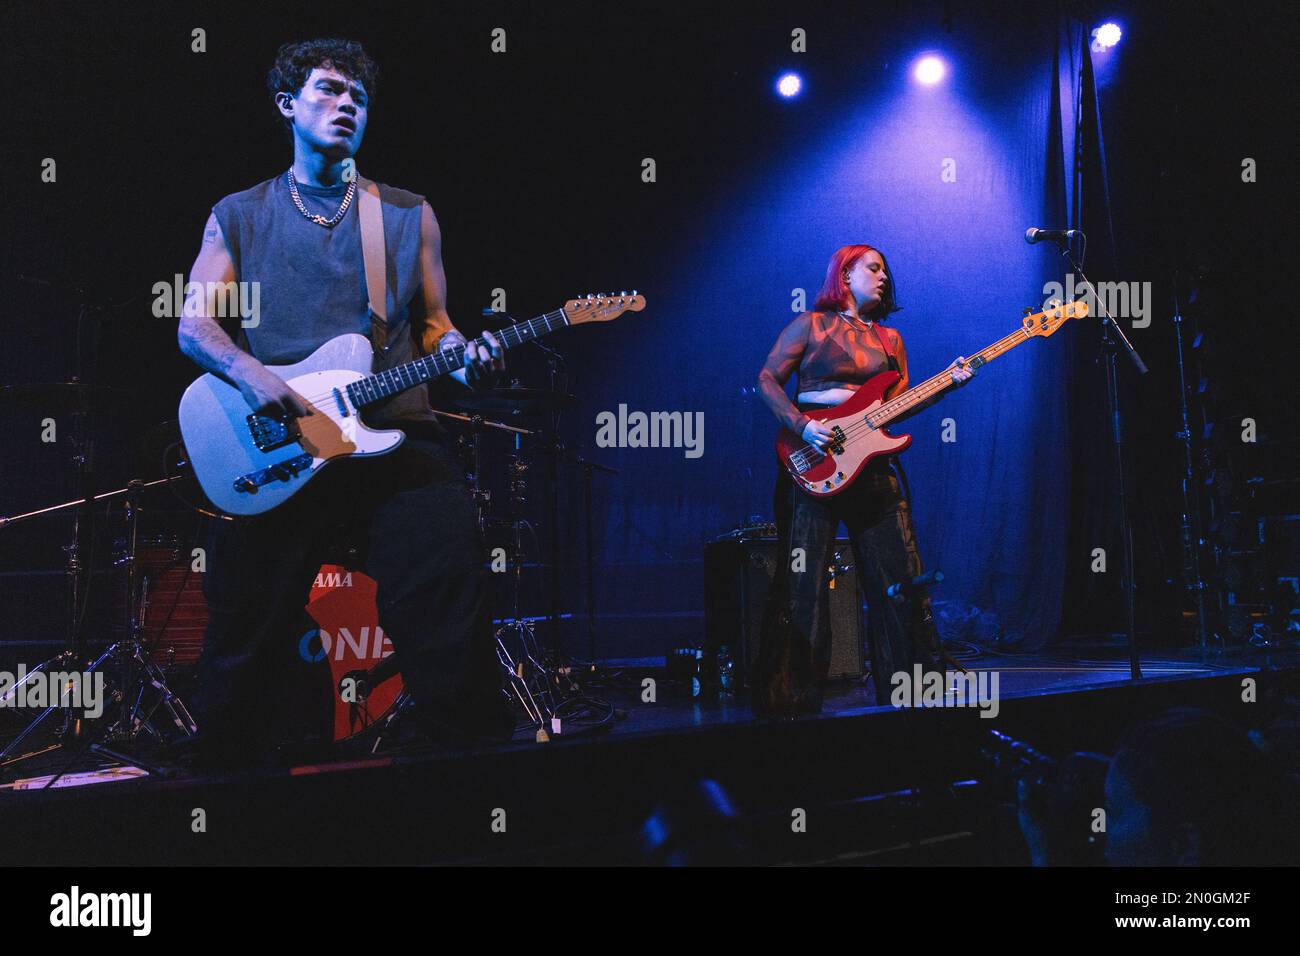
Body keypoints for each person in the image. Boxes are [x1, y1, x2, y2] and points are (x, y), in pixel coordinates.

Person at [176, 38, 510, 764]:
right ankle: (228, 771)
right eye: (329, 90)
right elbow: (195, 325)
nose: (347, 104)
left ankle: (472, 761)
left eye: (358, 96)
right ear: (287, 106)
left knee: (444, 574)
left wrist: (459, 354)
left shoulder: (406, 213)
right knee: (250, 603)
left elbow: (436, 325)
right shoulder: (239, 213)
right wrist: (252, 374)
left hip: (391, 431)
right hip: (295, 436)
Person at [753, 244, 973, 714]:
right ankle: (791, 700)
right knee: (803, 583)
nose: (883, 278)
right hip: (812, 460)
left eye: (886, 272)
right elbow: (767, 380)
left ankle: (913, 692)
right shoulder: (810, 324)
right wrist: (804, 426)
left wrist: (947, 384)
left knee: (901, 578)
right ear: (844, 272)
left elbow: (901, 404)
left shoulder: (890, 339)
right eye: (873, 268)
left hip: (872, 467)